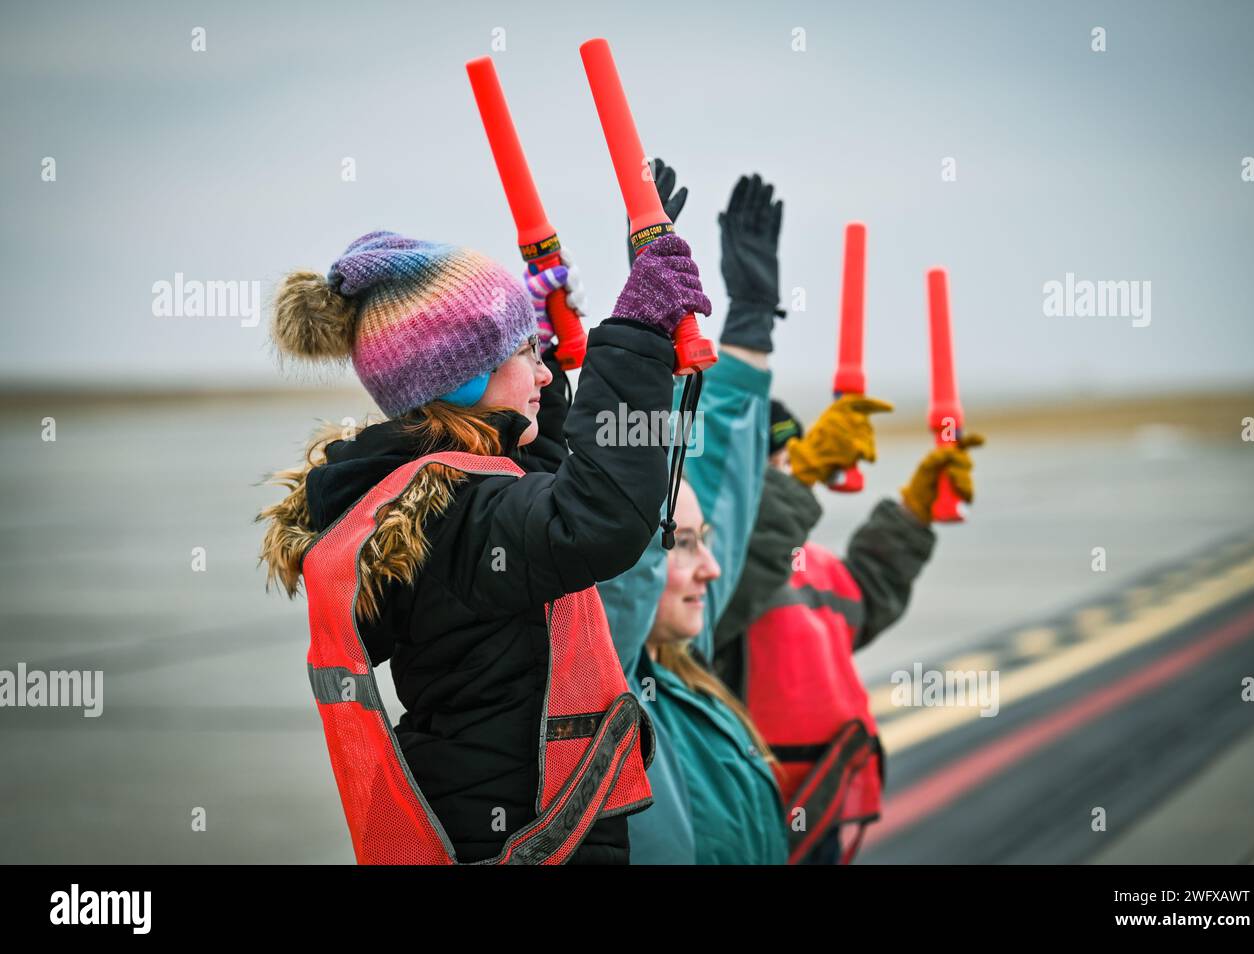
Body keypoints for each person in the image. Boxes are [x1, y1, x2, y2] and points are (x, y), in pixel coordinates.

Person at [257, 229, 710, 864]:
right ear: (467, 378)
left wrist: (551, 346)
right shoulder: (461, 518)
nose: (546, 371)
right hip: (519, 840)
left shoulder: (432, 498)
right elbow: (595, 518)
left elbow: (541, 483)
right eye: (528, 354)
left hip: (494, 822)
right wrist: (636, 340)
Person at [596, 168, 791, 864]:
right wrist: (643, 340)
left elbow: (709, 480)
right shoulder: (608, 695)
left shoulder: (681, 664)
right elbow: (632, 509)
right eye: (678, 547)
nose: (710, 566)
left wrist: (750, 318)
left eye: (700, 543)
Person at [715, 397, 984, 863]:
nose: (793, 480)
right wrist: (796, 483)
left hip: (819, 802)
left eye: (795, 464)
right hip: (742, 819)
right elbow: (738, 583)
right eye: (775, 467)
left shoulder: (808, 565)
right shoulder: (707, 573)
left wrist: (911, 515)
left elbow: (866, 596)